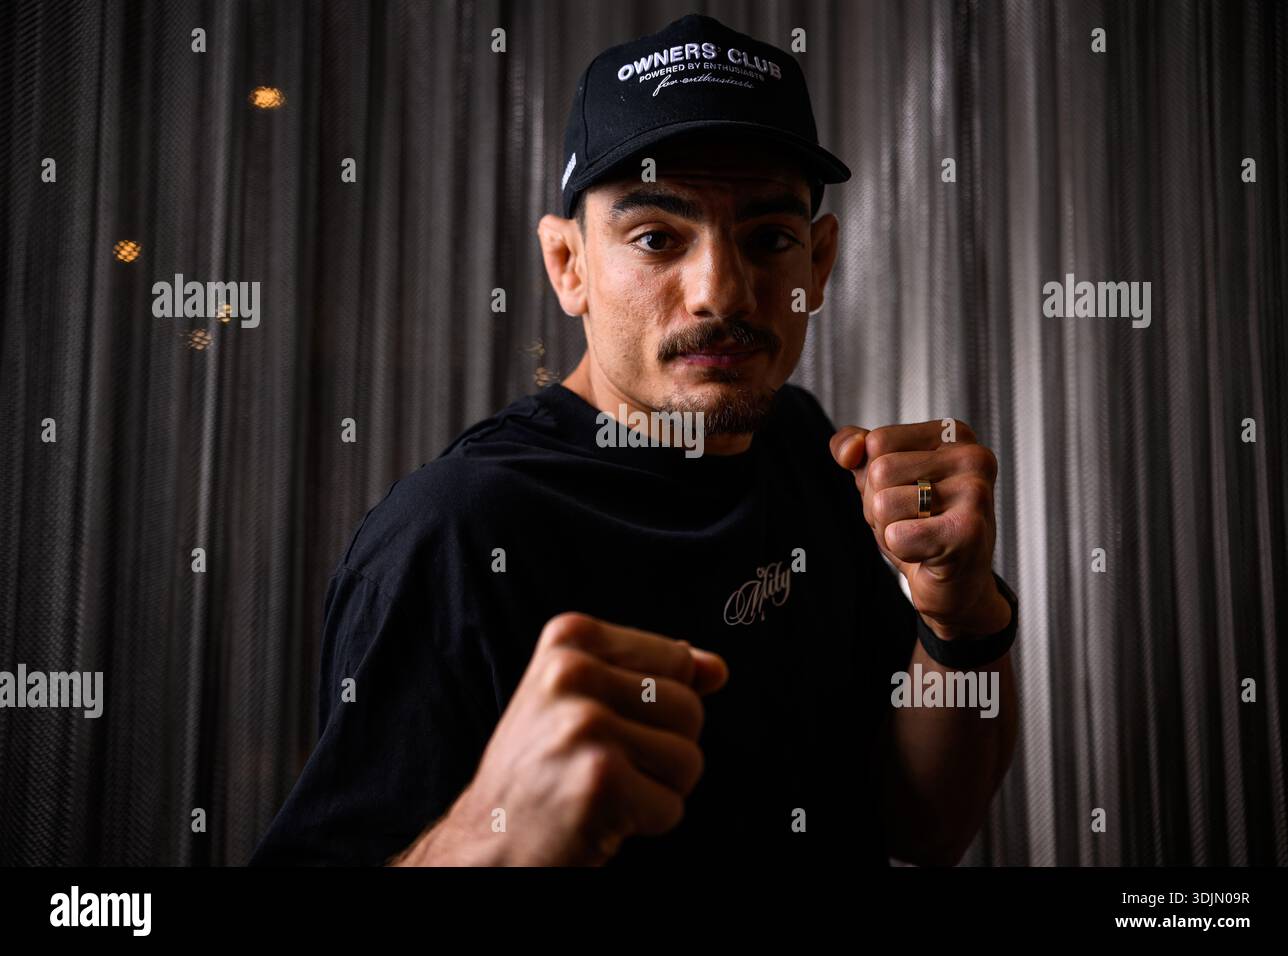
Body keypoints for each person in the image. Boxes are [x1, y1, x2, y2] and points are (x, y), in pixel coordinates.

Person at [250, 12, 1019, 868]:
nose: (720, 292)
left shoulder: (802, 444)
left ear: (820, 264)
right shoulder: (455, 534)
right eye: (657, 237)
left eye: (769, 238)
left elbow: (927, 825)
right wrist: (483, 839)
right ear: (568, 265)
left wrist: (962, 614)